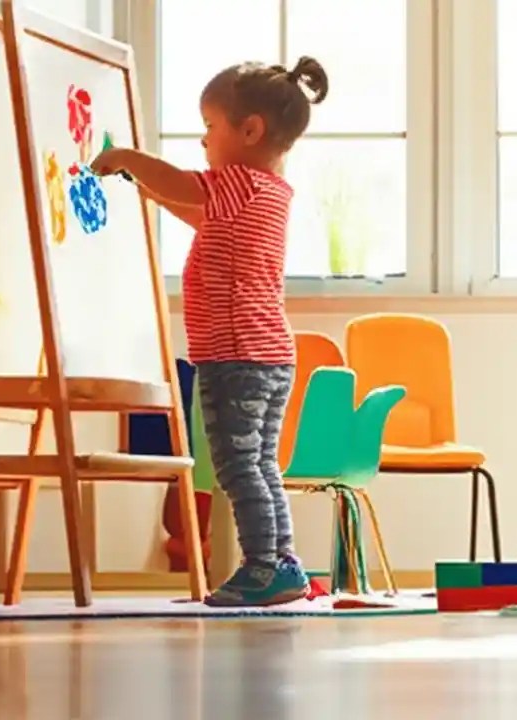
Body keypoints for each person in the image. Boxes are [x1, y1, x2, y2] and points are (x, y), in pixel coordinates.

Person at [92, 57, 329, 606]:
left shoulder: (238, 183)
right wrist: (145, 190)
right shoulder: (265, 192)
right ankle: (282, 563)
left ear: (250, 131)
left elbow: (183, 184)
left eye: (209, 127)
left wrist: (128, 158)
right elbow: (195, 210)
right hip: (268, 355)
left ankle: (263, 565)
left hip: (237, 355)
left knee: (236, 466)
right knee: (259, 464)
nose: (203, 140)